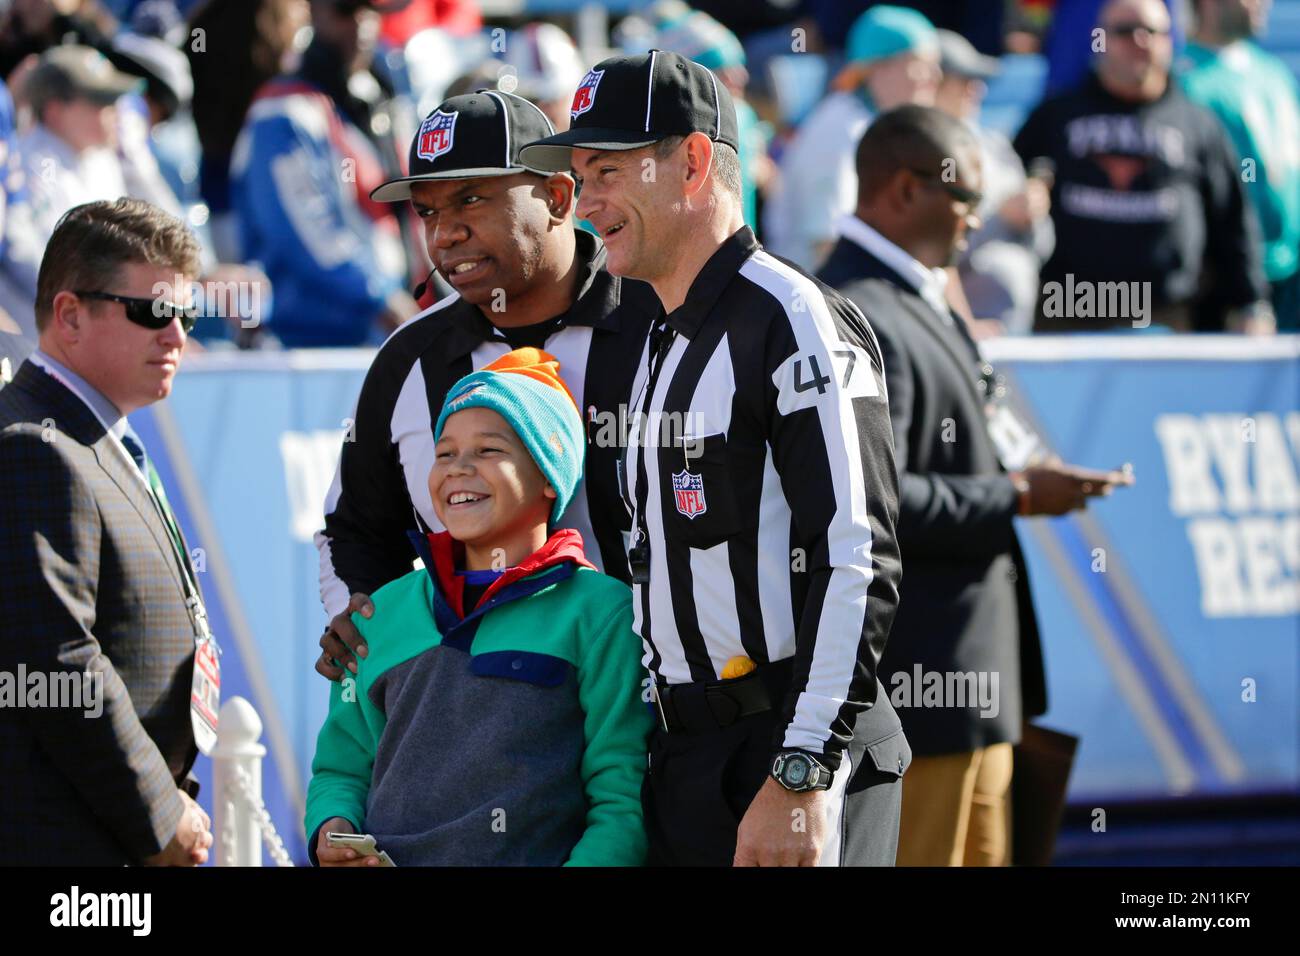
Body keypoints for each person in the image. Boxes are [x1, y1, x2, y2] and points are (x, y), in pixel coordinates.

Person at [521, 50, 909, 867]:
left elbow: (858, 558)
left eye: (606, 171)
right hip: (688, 761)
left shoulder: (793, 318)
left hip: (789, 749)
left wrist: (803, 770)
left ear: (693, 162)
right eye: (579, 177)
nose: (584, 204)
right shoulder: (656, 335)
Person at [818, 106, 1134, 866]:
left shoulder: (920, 291)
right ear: (902, 190)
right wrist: (1020, 496)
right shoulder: (853, 310)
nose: (977, 222)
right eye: (966, 201)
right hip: (919, 694)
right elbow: (872, 505)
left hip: (978, 689)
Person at [313, 90, 654, 683]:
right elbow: (355, 528)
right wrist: (362, 613)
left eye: (470, 200)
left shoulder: (662, 323)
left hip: (669, 716)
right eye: (427, 212)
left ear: (557, 196)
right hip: (494, 724)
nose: (444, 235)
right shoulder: (408, 360)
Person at [306, 348, 651, 866]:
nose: (458, 469)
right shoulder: (381, 612)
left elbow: (621, 801)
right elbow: (342, 768)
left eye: (489, 450)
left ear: (548, 479)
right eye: (444, 453)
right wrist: (333, 832)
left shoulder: (601, 614)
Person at [0, 198, 214, 865]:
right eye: (152, 311)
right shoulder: (31, 445)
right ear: (69, 315)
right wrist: (157, 810)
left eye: (185, 313)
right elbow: (57, 661)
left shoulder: (93, 433)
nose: (175, 334)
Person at [1014, 0, 1272, 332]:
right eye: (1124, 32)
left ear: (1170, 39)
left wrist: (1251, 304)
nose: (1140, 41)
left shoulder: (1199, 123)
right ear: (1099, 40)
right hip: (1068, 313)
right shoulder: (1054, 117)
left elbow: (1234, 221)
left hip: (1171, 317)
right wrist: (1024, 195)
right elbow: (1007, 187)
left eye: (1152, 31)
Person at [230, 0, 420, 347]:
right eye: (346, 10)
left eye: (372, 10)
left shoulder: (382, 98)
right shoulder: (281, 110)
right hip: (308, 343)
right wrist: (379, 297)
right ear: (312, 11)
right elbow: (303, 229)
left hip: (383, 333)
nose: (361, 24)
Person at [763, 4, 939, 271]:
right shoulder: (841, 129)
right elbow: (825, 245)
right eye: (919, 65)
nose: (933, 78)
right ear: (876, 70)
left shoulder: (870, 123)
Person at [1180, 0, 1300, 329]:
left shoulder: (1273, 72)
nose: (1265, 3)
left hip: (1292, 270)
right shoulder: (1184, 80)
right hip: (1232, 278)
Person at [933, 29, 1054, 334]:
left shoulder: (995, 146)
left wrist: (1034, 215)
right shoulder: (917, 155)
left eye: (979, 81)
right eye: (964, 79)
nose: (977, 90)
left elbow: (1042, 246)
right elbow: (931, 252)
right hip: (953, 331)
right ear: (934, 83)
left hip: (1011, 333)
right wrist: (999, 217)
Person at [15, 46, 140, 243]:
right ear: (54, 111)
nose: (115, 112)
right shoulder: (32, 167)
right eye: (99, 102)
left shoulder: (101, 157)